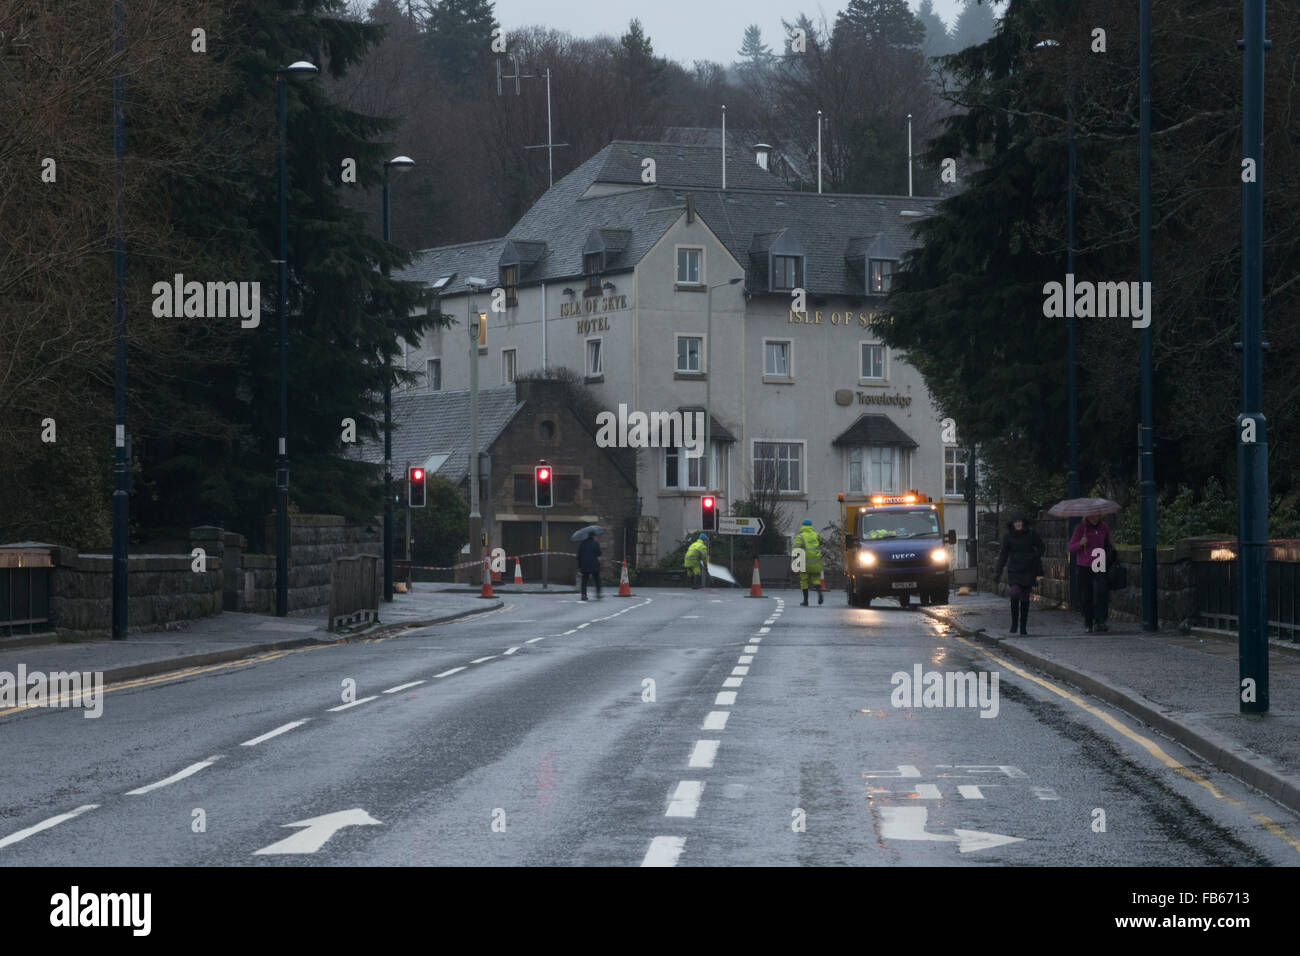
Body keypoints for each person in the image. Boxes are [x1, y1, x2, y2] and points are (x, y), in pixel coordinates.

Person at [994, 513, 1045, 635]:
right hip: (1015, 569)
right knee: (1015, 593)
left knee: (1025, 597)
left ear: (1023, 522)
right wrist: (998, 571)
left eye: (1020, 521)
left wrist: (1034, 556)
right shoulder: (1008, 537)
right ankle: (1014, 623)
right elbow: (1004, 554)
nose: (1018, 524)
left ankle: (1023, 627)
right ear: (1012, 524)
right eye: (1015, 522)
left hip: (1028, 569)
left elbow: (1042, 547)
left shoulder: (1031, 534)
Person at [1068, 513, 1114, 632]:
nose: (1094, 518)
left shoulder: (1104, 527)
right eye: (1092, 515)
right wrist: (1080, 543)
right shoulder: (1080, 528)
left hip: (1100, 563)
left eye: (1097, 515)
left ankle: (1101, 621)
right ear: (1087, 516)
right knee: (1086, 594)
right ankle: (1088, 622)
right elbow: (1071, 547)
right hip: (1085, 565)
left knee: (1102, 592)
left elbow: (1109, 543)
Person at [793, 518, 824, 606]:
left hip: (804, 562)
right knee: (816, 579)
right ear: (811, 526)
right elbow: (822, 541)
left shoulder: (800, 536)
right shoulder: (816, 535)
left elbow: (795, 550)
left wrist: (794, 564)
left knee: (804, 581)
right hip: (816, 561)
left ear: (803, 526)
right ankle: (819, 593)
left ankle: (805, 601)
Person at [577, 530, 602, 600]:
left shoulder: (582, 544)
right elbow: (599, 553)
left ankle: (583, 595)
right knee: (597, 580)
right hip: (594, 565)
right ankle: (598, 594)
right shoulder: (595, 543)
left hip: (584, 566)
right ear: (593, 536)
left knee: (584, 581)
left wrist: (579, 566)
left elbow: (579, 556)